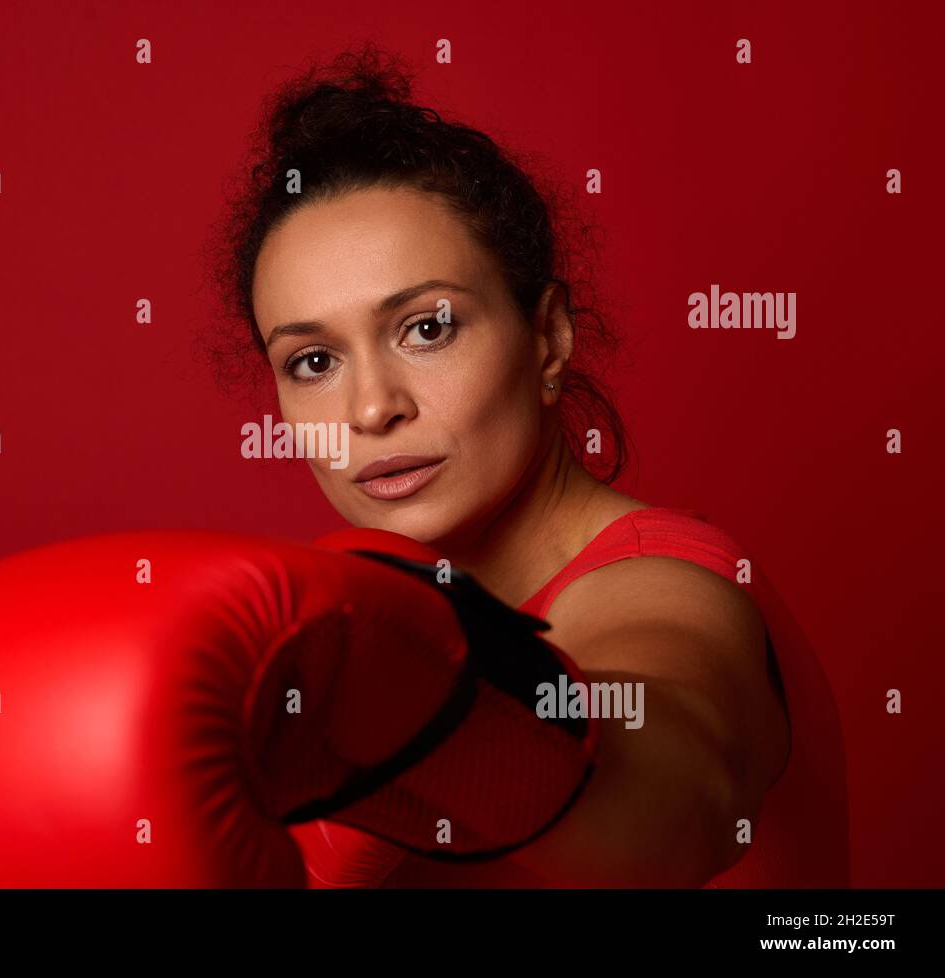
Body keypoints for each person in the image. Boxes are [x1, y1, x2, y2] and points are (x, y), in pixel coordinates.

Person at [208, 43, 849, 887]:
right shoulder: (386, 614)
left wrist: (411, 722)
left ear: (548, 337)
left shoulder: (673, 580)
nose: (369, 410)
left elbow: (673, 795)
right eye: (313, 361)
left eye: (427, 328)